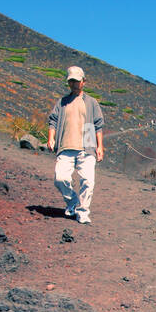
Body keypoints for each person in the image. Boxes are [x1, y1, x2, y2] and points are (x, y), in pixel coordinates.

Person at [47, 66, 104, 224]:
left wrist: (99, 147)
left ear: (84, 82)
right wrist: (51, 138)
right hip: (65, 145)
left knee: (87, 180)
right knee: (60, 178)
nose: (73, 84)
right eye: (71, 81)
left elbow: (98, 125)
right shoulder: (63, 102)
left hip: (87, 145)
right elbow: (53, 120)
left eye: (76, 81)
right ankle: (73, 202)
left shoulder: (91, 102)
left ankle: (83, 212)